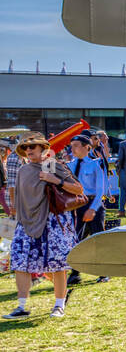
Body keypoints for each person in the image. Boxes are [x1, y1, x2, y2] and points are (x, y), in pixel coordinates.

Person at [4, 134, 85, 319]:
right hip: (26, 222)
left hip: (52, 221)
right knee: (20, 263)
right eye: (25, 148)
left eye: (32, 147)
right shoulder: (23, 170)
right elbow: (20, 196)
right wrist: (16, 216)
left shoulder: (52, 165)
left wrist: (54, 179)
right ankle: (21, 307)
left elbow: (78, 189)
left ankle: (58, 305)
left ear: (43, 148)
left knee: (57, 264)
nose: (28, 150)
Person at [66, 135, 109, 286]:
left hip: (93, 203)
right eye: (71, 146)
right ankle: (75, 273)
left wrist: (93, 209)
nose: (73, 149)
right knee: (76, 239)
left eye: (76, 145)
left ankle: (104, 271)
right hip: (76, 205)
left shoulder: (96, 165)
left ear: (86, 147)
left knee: (98, 239)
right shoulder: (69, 166)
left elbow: (100, 190)